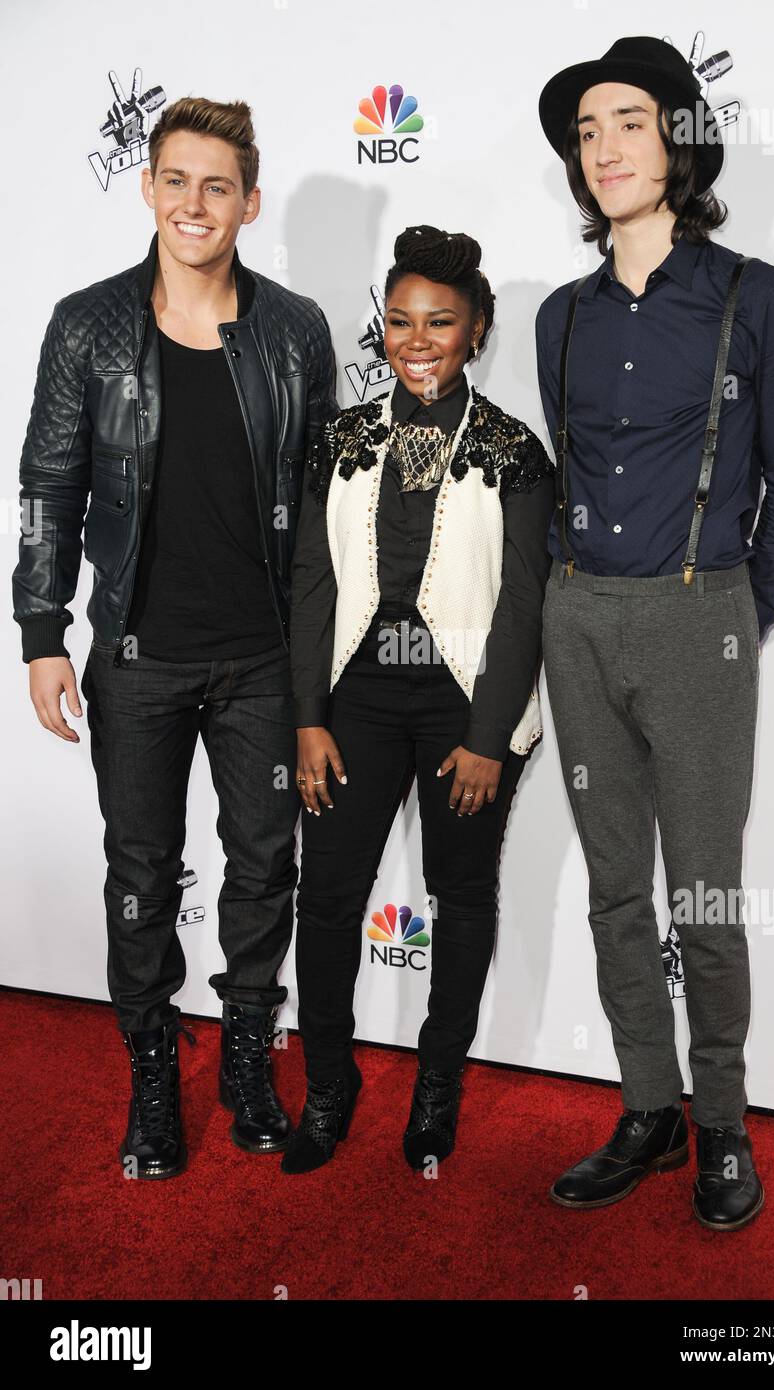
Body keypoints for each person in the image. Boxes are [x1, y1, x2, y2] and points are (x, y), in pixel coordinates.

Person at [11, 97, 338, 1179]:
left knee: (261, 867)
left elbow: (317, 503)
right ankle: (153, 1071)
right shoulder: (88, 324)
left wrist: (312, 668)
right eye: (177, 180)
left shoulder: (293, 331)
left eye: (218, 186)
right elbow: (50, 485)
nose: (195, 203)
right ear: (148, 187)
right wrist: (42, 629)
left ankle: (247, 1055)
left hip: (260, 657)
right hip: (135, 654)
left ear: (248, 201)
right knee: (140, 871)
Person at [536, 36, 774, 1229]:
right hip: (576, 616)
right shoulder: (557, 314)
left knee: (702, 896)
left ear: (680, 140)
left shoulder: (762, 299)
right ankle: (646, 1108)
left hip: (700, 618)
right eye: (585, 131)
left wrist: (730, 616)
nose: (602, 147)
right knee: (614, 892)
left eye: (628, 123)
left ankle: (720, 1123)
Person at [282, 225, 555, 1174]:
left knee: (462, 894)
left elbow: (524, 604)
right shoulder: (342, 438)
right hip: (353, 701)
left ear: (476, 330)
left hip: (464, 712)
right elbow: (311, 582)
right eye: (399, 320)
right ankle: (327, 1084)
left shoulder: (514, 452)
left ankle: (438, 1080)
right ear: (382, 329)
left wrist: (488, 738)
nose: (417, 337)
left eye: (440, 321)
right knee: (328, 898)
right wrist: (306, 716)